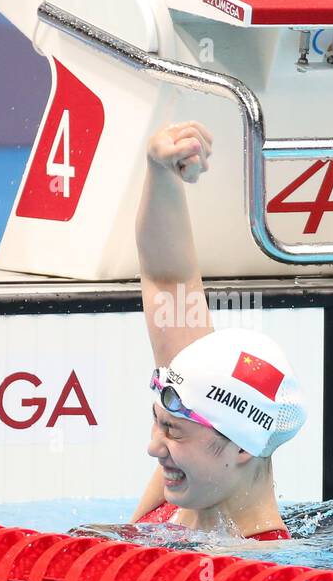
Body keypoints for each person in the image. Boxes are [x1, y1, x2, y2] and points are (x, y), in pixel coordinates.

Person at [130, 120, 307, 541]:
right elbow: (168, 280)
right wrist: (160, 172)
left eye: (172, 429)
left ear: (241, 445)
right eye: (159, 423)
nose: (154, 448)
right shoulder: (175, 506)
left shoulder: (268, 579)